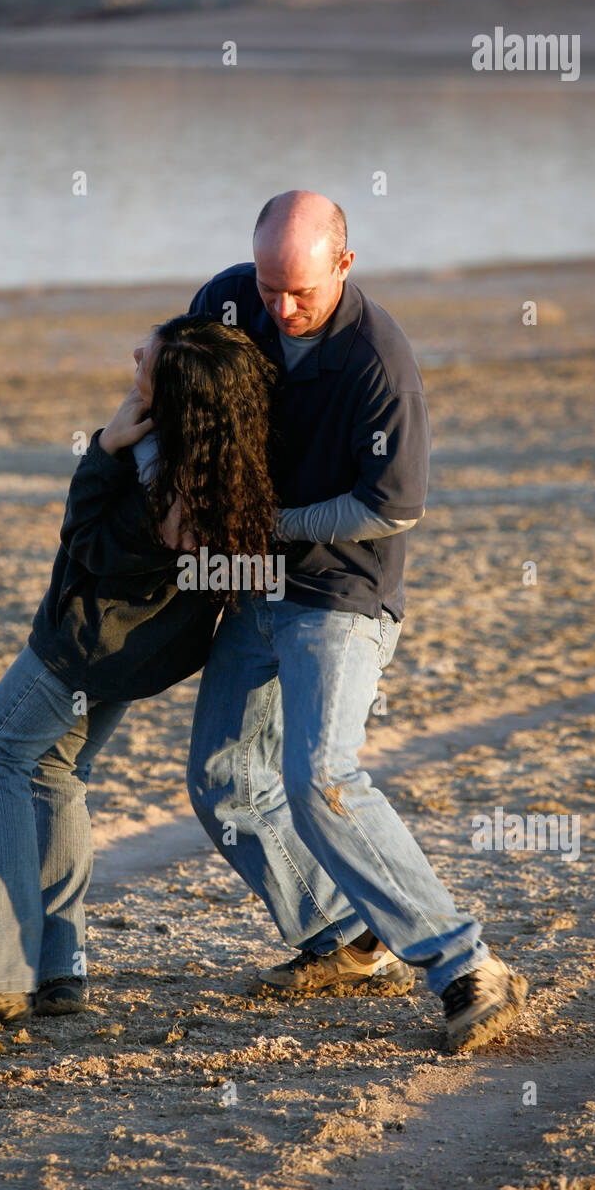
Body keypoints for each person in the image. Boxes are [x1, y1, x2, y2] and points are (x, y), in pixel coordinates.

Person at [184, 190, 528, 1053]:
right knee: (221, 778)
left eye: (299, 291)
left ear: (345, 263)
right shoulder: (233, 301)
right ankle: (341, 937)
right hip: (252, 585)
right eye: (269, 287)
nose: (280, 308)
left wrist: (278, 526)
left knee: (321, 778)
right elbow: (172, 378)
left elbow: (395, 505)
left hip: (341, 592)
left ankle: (465, 965)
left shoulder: (382, 364)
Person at [0, 315, 279, 1022]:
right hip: (140, 655)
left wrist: (104, 448)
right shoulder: (227, 464)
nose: (137, 354)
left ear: (177, 399)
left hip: (86, 647)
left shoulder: (159, 489)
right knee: (54, 772)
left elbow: (84, 540)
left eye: (152, 361)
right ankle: (57, 965)